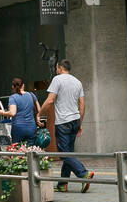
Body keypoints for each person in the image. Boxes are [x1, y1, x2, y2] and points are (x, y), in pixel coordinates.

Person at [38, 59, 92, 192]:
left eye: (57, 68)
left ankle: (83, 173)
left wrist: (40, 114)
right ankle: (62, 184)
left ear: (60, 68)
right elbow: (82, 104)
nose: (56, 70)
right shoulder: (77, 82)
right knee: (68, 153)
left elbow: (50, 100)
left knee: (63, 154)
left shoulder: (57, 79)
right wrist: (79, 123)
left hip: (63, 122)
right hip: (75, 121)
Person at [0, 77, 38, 145]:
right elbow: (39, 109)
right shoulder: (31, 95)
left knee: (17, 151)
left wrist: (1, 112)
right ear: (23, 85)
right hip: (31, 127)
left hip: (18, 128)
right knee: (31, 150)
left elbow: (12, 113)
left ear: (13, 87)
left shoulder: (13, 97)